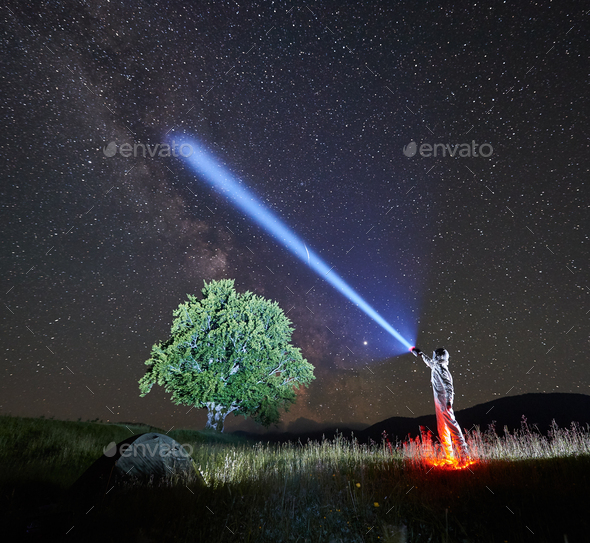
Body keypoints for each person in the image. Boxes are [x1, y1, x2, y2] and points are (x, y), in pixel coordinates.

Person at [411, 347, 469, 462]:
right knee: (442, 429)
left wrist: (449, 402)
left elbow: (449, 387)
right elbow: (429, 362)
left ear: (438, 356)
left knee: (452, 427)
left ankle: (464, 456)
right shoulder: (436, 366)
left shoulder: (442, 369)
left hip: (444, 403)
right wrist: (420, 354)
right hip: (439, 403)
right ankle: (449, 457)